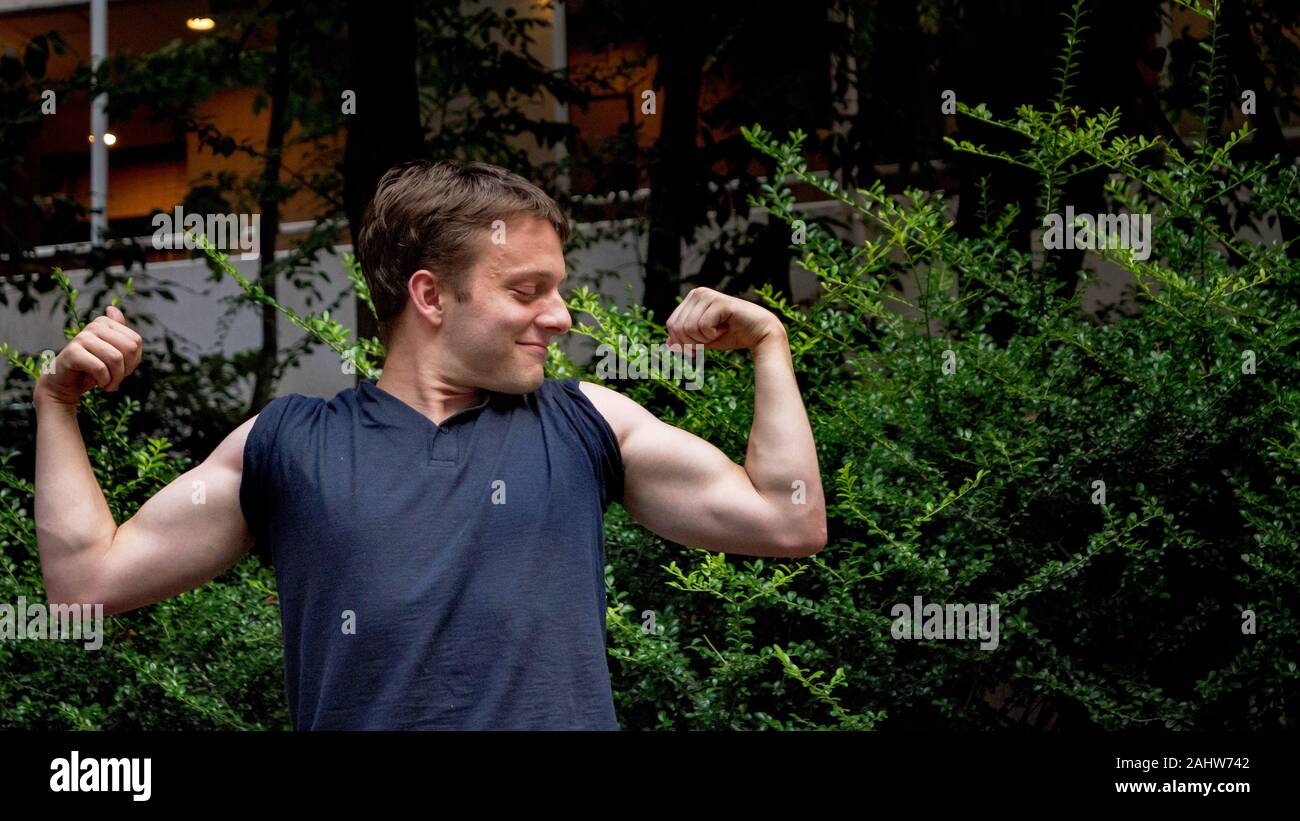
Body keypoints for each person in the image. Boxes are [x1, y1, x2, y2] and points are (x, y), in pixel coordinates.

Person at [32, 159, 826, 730]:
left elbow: (787, 521)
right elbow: (85, 582)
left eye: (559, 288)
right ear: (429, 294)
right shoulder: (289, 446)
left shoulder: (588, 425)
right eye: (528, 290)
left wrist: (770, 345)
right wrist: (57, 401)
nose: (560, 317)